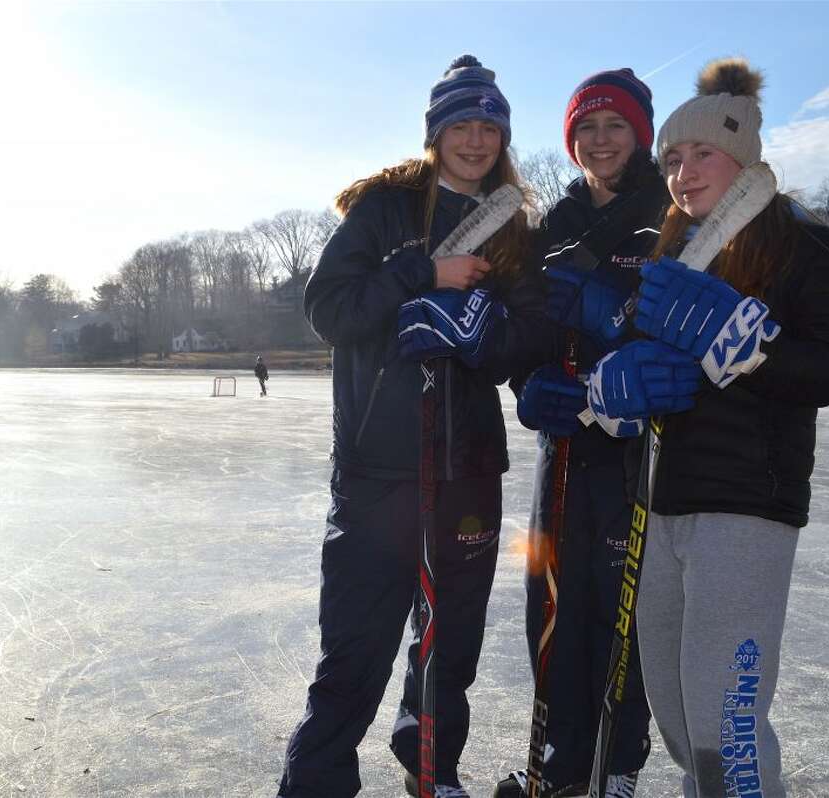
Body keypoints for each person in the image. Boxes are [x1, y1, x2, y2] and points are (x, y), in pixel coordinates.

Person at [279, 55, 552, 798]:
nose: (475, 139)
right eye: (461, 123)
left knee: (452, 638)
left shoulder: (511, 226)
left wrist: (479, 334)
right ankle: (319, 779)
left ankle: (430, 760)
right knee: (357, 641)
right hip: (379, 466)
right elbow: (330, 311)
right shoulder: (385, 209)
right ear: (435, 132)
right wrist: (421, 277)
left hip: (466, 464)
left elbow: (525, 338)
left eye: (488, 125)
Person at [587, 58, 829, 797]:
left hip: (745, 506)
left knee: (725, 722)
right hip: (663, 503)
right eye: (671, 159)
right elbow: (630, 368)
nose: (682, 172)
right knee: (679, 716)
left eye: (699, 152)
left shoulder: (804, 240)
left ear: (741, 152)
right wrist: (614, 390)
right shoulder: (676, 250)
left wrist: (750, 347)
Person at [498, 68, 667, 798]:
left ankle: (618, 769)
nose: (600, 141)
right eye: (586, 129)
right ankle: (561, 769)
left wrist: (614, 316)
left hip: (638, 449)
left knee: (619, 615)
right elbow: (526, 331)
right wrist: (528, 387)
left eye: (615, 126)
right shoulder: (553, 227)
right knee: (556, 605)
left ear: (640, 135)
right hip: (563, 449)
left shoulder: (668, 211)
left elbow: (680, 326)